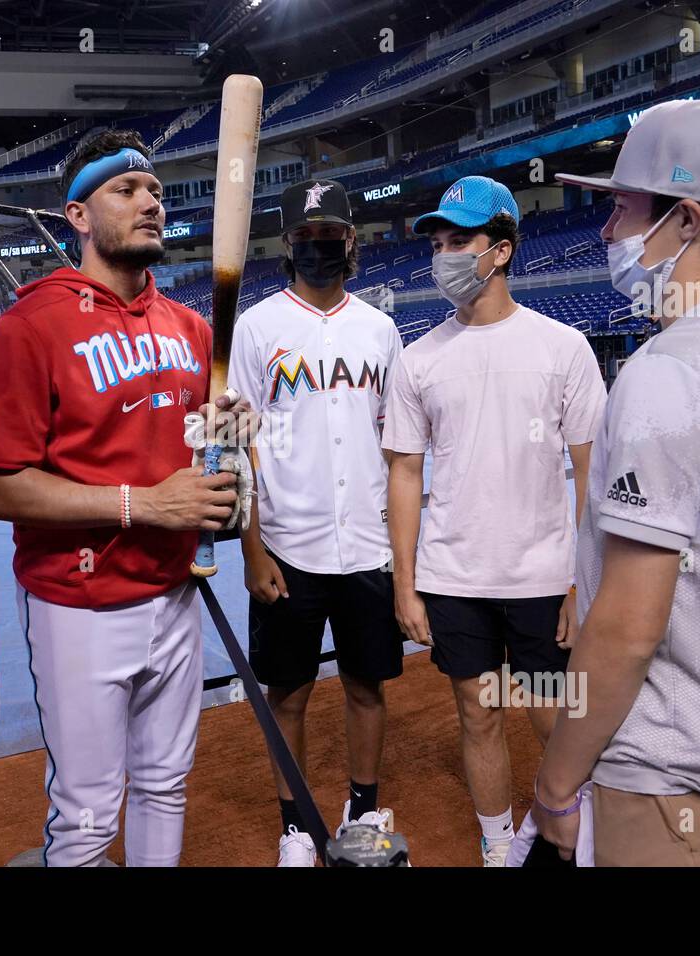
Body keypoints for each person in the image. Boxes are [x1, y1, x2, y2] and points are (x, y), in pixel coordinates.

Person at [535, 99, 700, 866]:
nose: (606, 231)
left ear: (686, 222)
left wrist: (556, 786)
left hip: (670, 782)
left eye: (622, 207)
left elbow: (626, 626)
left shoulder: (670, 372)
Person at [0, 129, 242, 867]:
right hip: (79, 604)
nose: (150, 202)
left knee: (165, 785)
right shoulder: (29, 327)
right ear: (79, 216)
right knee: (88, 816)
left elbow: (207, 469)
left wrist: (228, 454)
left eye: (154, 190)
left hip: (179, 594)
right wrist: (144, 506)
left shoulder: (190, 328)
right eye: (125, 190)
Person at [384, 175, 606, 865]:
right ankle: (498, 845)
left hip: (542, 576)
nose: (445, 254)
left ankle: (577, 839)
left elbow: (592, 470)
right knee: (479, 714)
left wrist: (581, 578)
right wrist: (406, 583)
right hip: (455, 578)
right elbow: (404, 473)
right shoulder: (418, 360)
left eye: (461, 241)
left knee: (554, 718)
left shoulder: (561, 347)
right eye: (439, 242)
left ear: (502, 250)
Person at [227, 179, 405, 867]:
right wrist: (251, 548)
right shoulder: (259, 327)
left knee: (367, 685)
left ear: (351, 241)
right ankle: (296, 826)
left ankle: (362, 810)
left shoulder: (380, 329)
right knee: (288, 692)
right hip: (287, 546)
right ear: (287, 245)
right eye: (305, 238)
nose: (318, 248)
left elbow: (396, 442)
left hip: (366, 544)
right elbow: (239, 445)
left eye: (329, 236)